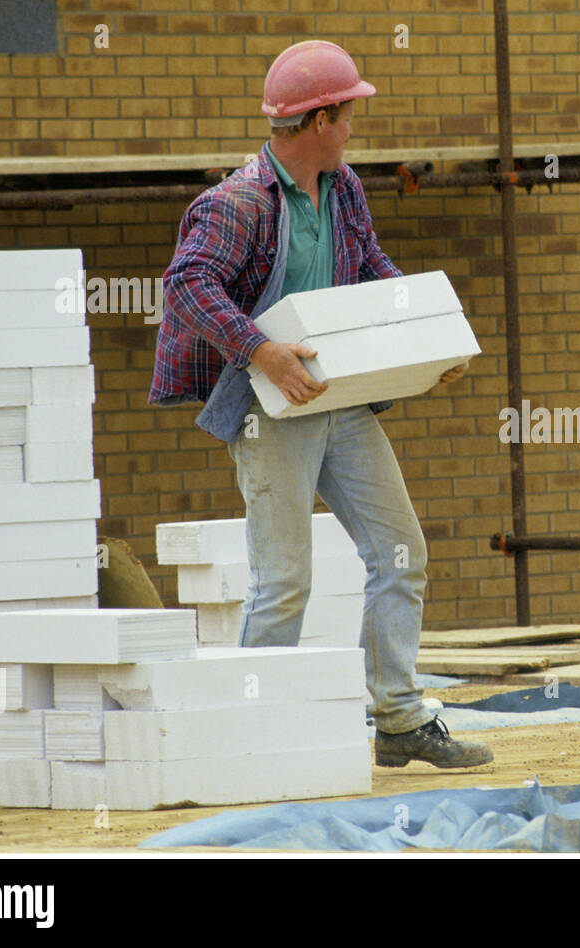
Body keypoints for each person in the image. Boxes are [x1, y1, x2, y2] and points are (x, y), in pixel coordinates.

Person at [149, 40, 492, 769]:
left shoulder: (345, 189)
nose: (354, 128)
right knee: (284, 582)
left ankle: (397, 720)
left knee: (401, 551)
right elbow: (186, 285)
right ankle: (250, 737)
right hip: (268, 406)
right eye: (348, 115)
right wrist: (259, 350)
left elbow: (371, 271)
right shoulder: (237, 203)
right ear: (318, 120)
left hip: (339, 399)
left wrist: (429, 336)